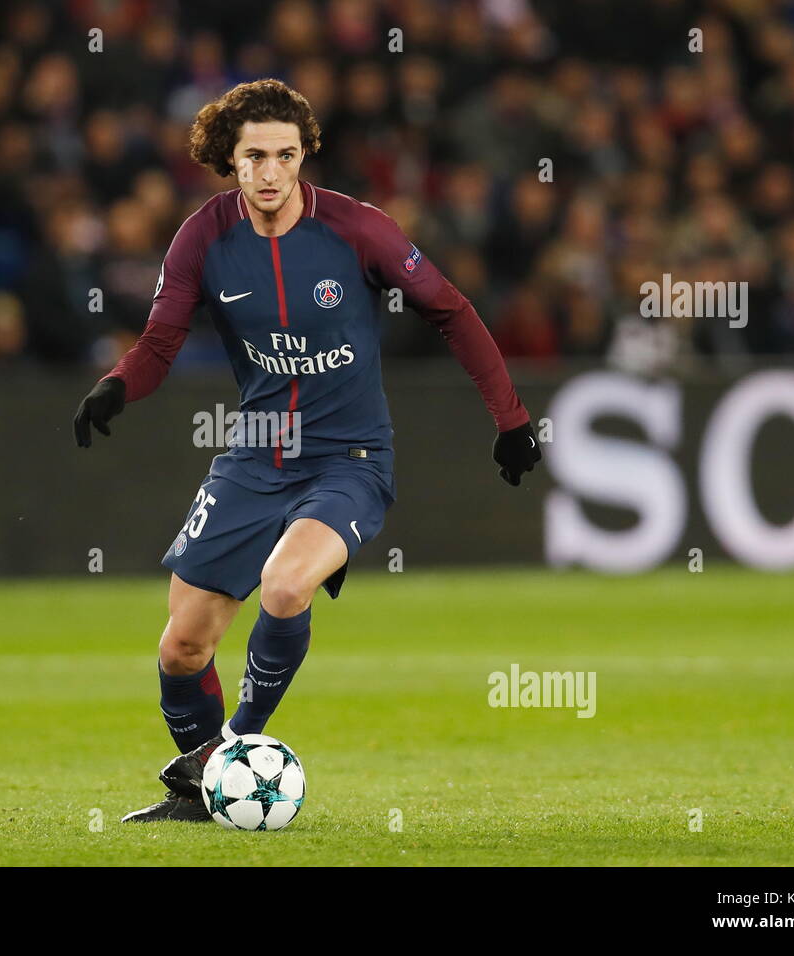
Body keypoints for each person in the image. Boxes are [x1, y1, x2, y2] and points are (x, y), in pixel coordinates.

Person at [72, 79, 540, 823]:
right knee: (181, 647)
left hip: (349, 459)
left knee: (286, 586)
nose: (270, 172)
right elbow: (159, 345)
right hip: (256, 455)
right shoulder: (201, 238)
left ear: (303, 156)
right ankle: (202, 793)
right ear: (229, 159)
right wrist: (117, 386)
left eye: (285, 155)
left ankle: (236, 746)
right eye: (254, 156)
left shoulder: (360, 230)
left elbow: (451, 309)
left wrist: (510, 419)